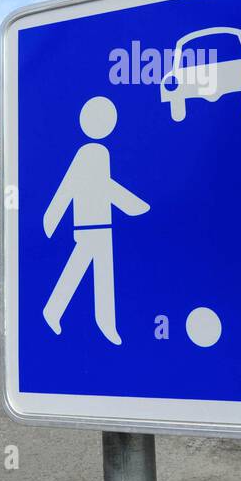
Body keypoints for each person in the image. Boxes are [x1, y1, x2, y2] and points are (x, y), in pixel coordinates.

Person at [42, 96, 150, 344]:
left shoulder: (98, 153)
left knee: (93, 271)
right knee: (90, 270)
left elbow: (98, 187)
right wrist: (132, 205)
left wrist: (130, 203)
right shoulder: (92, 153)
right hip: (91, 224)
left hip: (99, 224)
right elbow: (74, 186)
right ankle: (70, 314)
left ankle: (102, 322)